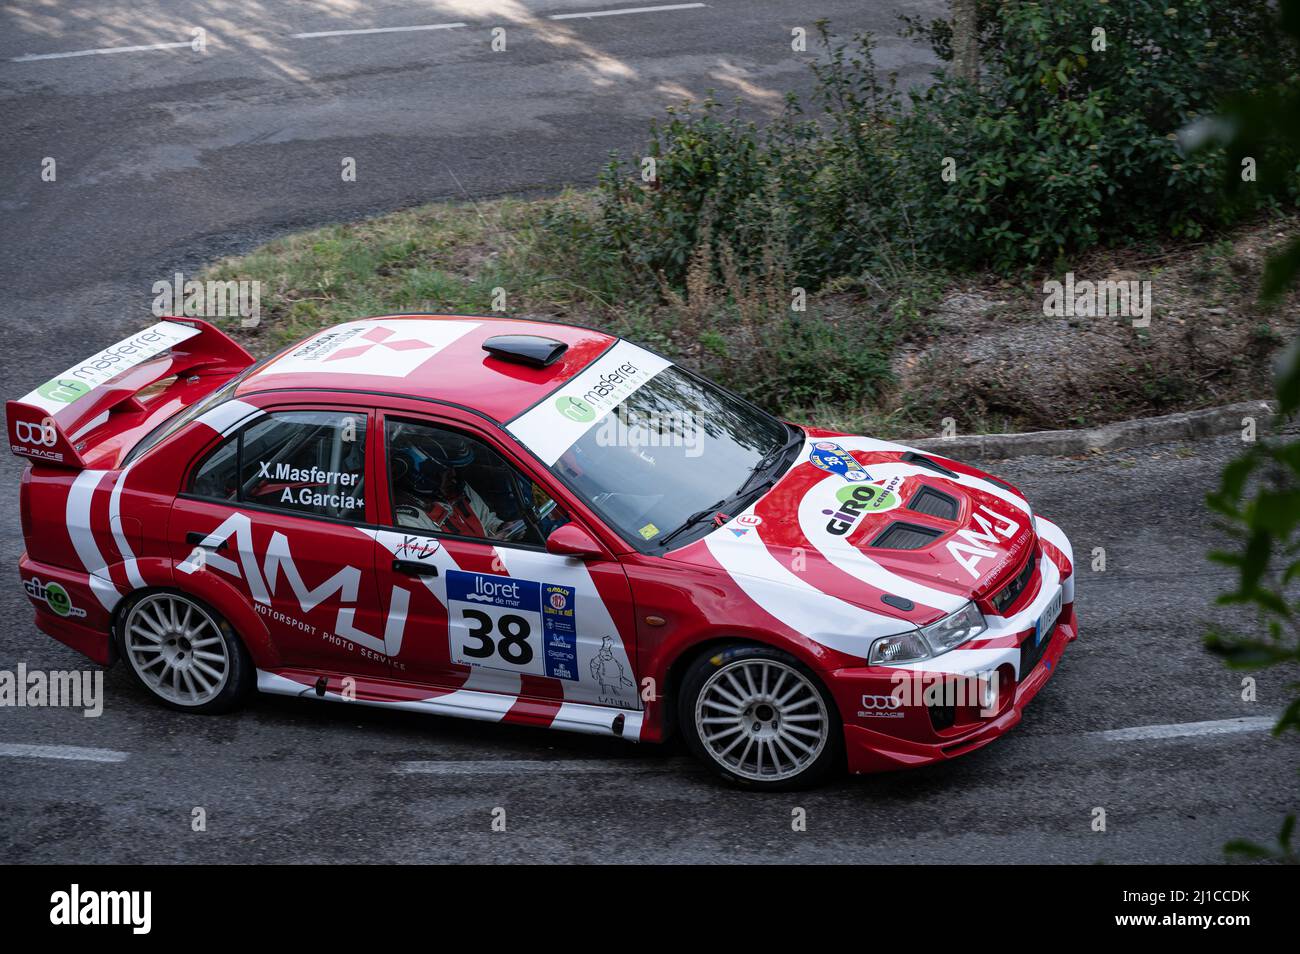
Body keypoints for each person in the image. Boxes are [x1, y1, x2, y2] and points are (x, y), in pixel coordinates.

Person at [390, 430, 526, 541]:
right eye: (446, 471)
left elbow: (487, 520)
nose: (454, 475)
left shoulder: (457, 489)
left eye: (454, 469)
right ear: (425, 474)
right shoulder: (407, 518)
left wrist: (501, 528)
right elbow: (443, 562)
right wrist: (492, 545)